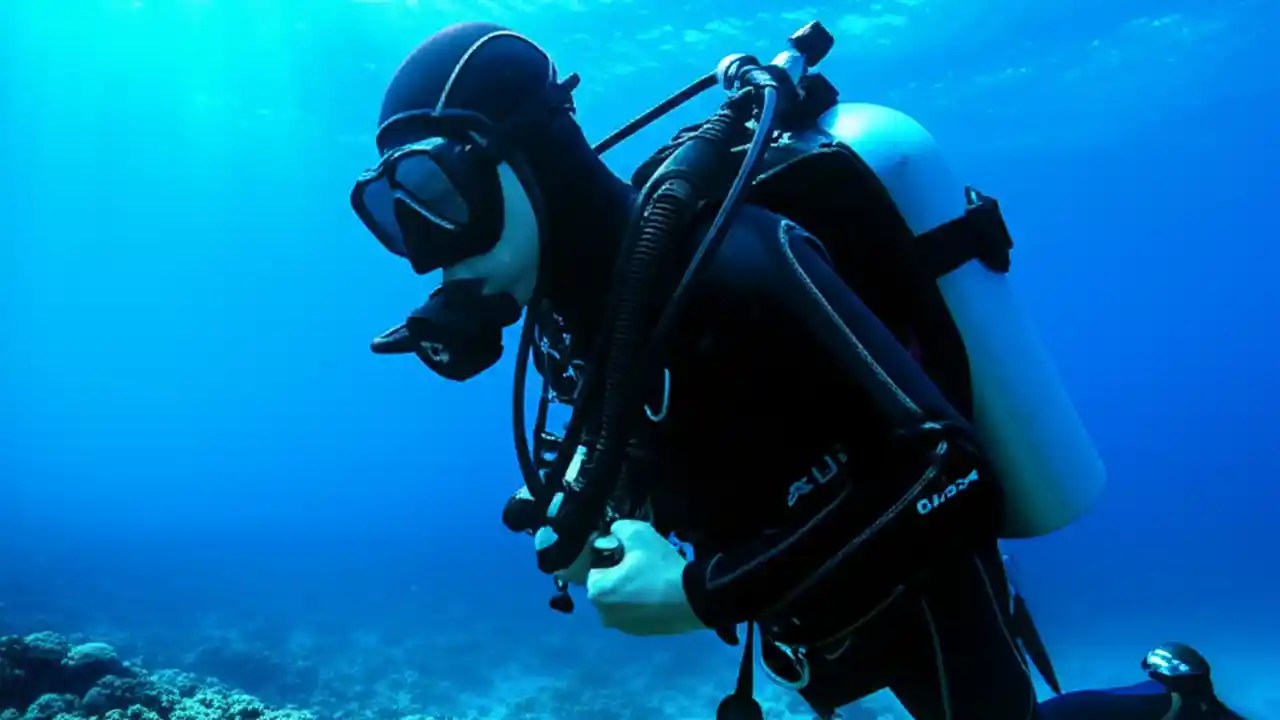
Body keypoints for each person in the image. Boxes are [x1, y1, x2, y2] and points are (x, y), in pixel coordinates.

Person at [348, 20, 1242, 720]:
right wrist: (594, 497)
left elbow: (950, 469)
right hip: (804, 608)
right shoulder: (566, 313)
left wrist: (700, 594)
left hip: (923, 593)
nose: (427, 253)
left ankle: (1176, 700)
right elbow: (652, 424)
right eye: (395, 215)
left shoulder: (737, 256)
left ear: (528, 159)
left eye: (437, 194)